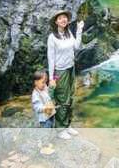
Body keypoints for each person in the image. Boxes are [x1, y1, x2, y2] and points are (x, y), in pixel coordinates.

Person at [47, 9, 84, 140]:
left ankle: (67, 125)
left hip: (71, 68)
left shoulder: (68, 33)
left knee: (71, 96)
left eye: (65, 18)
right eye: (60, 18)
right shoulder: (52, 38)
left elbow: (77, 47)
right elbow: (51, 59)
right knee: (62, 98)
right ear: (56, 22)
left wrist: (79, 30)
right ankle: (60, 128)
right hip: (60, 71)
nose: (63, 20)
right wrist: (51, 78)